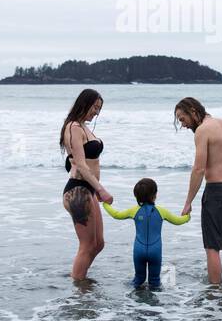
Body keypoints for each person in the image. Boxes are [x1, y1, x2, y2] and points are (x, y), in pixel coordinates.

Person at [174, 97, 222, 285]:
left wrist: (188, 201)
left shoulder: (202, 131)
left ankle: (215, 295)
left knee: (212, 248)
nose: (183, 125)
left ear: (193, 111)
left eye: (182, 119)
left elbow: (199, 169)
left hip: (217, 191)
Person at [60, 89, 113, 280]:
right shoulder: (73, 126)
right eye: (95, 107)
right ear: (84, 103)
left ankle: (79, 277)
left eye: (99, 109)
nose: (96, 112)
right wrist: (101, 189)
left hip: (88, 189)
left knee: (98, 244)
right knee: (87, 245)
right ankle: (79, 288)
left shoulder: (83, 126)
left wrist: (95, 187)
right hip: (78, 191)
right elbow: (80, 164)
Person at [102, 178, 190, 289]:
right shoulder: (162, 211)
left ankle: (133, 303)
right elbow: (178, 221)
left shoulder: (134, 210)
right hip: (155, 251)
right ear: (155, 194)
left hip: (139, 250)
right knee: (155, 281)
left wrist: (105, 204)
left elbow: (116, 214)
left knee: (138, 279)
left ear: (136, 196)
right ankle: (154, 305)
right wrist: (187, 216)